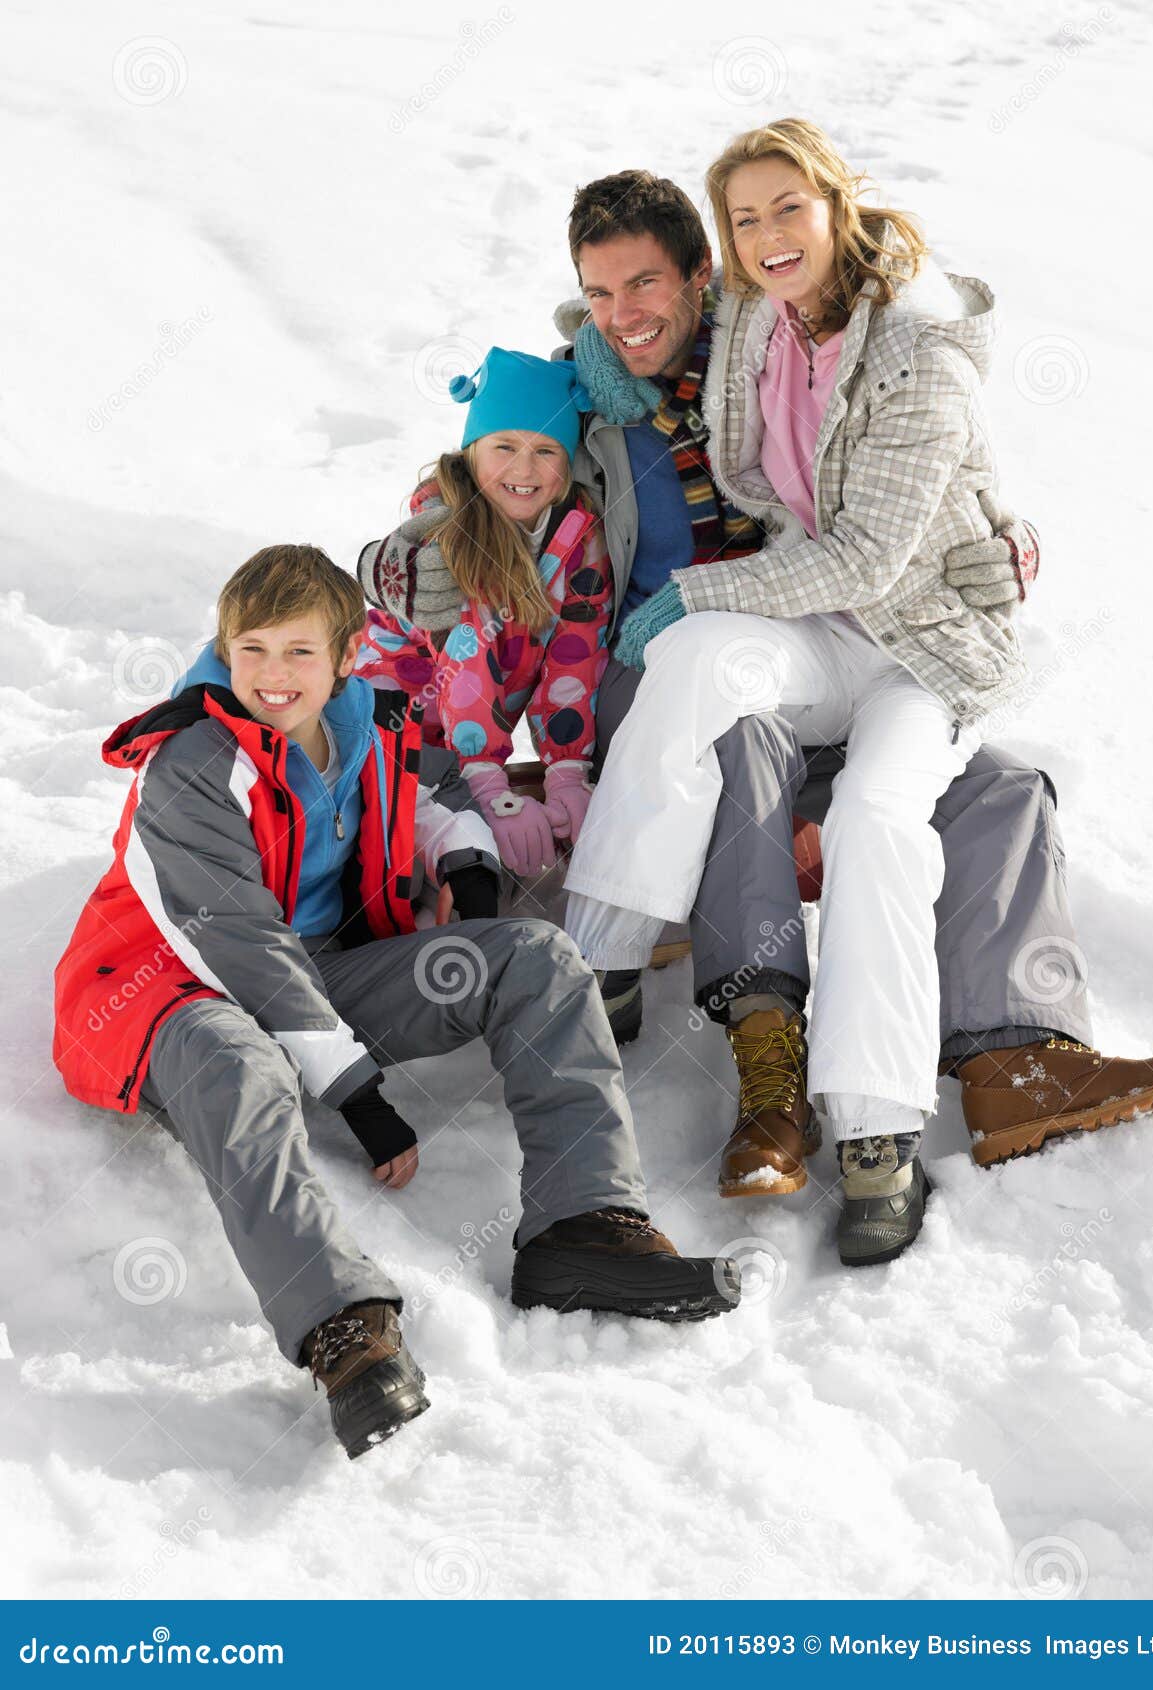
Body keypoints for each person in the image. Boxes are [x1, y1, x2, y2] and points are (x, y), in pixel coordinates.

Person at [554, 146, 1153, 1262]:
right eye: (600, 292)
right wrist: (404, 562)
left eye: (645, 284)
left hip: (852, 634)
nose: (623, 314)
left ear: (701, 274)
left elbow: (917, 493)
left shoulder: (769, 331)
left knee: (991, 788)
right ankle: (727, 1033)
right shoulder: (576, 395)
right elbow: (479, 492)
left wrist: (1007, 540)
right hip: (719, 669)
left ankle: (1005, 1060)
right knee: (731, 722)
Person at [52, 544, 741, 1461]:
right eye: (249, 650)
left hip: (324, 974)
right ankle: (346, 1334)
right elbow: (238, 943)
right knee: (238, 1063)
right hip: (165, 994)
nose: (271, 675)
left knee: (534, 957)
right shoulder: (187, 760)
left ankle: (581, 1226)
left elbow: (434, 788)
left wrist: (465, 861)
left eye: (298, 652)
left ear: (346, 656)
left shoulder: (373, 717)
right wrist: (357, 1096)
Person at [355, 349, 609, 880]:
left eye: (545, 450)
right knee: (414, 866)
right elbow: (464, 667)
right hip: (385, 733)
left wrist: (566, 768)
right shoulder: (450, 535)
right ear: (471, 453)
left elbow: (574, 657)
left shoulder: (580, 539)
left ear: (568, 464)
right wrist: (488, 787)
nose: (524, 468)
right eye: (504, 446)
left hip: (458, 750)